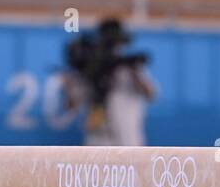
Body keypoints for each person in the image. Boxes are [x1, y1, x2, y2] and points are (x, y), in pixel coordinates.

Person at [64, 18, 158, 146]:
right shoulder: (92, 68)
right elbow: (72, 105)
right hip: (98, 141)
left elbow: (151, 94)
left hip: (129, 140)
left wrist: (132, 71)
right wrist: (71, 83)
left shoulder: (130, 67)